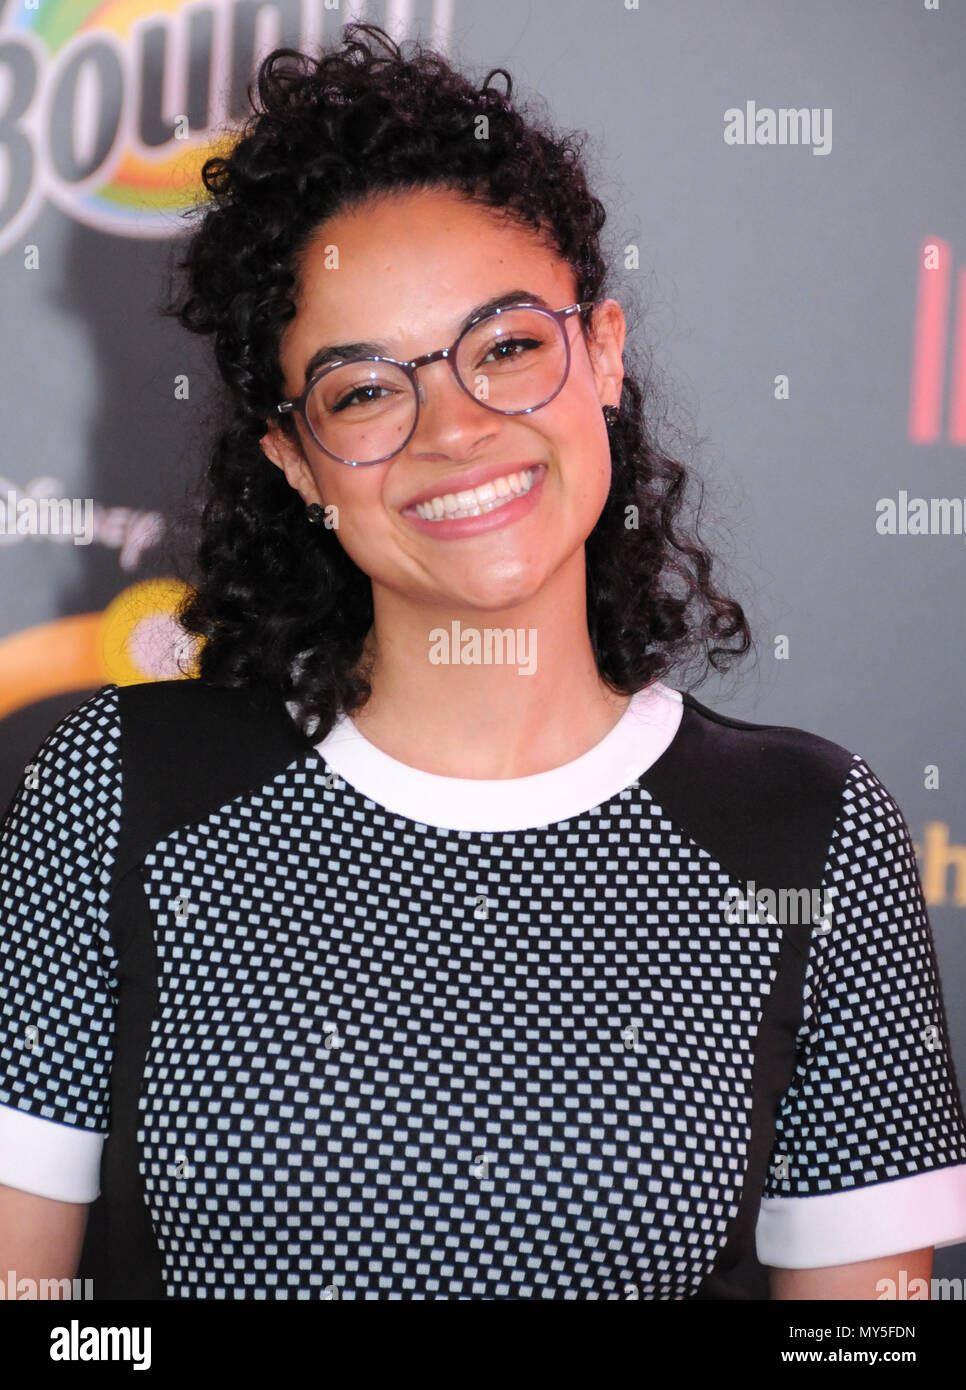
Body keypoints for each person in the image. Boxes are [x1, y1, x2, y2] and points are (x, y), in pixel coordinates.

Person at [1, 21, 965, 1302]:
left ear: (602, 352)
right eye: (364, 390)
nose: (455, 431)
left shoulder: (807, 834)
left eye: (505, 348)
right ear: (294, 461)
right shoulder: (121, 794)